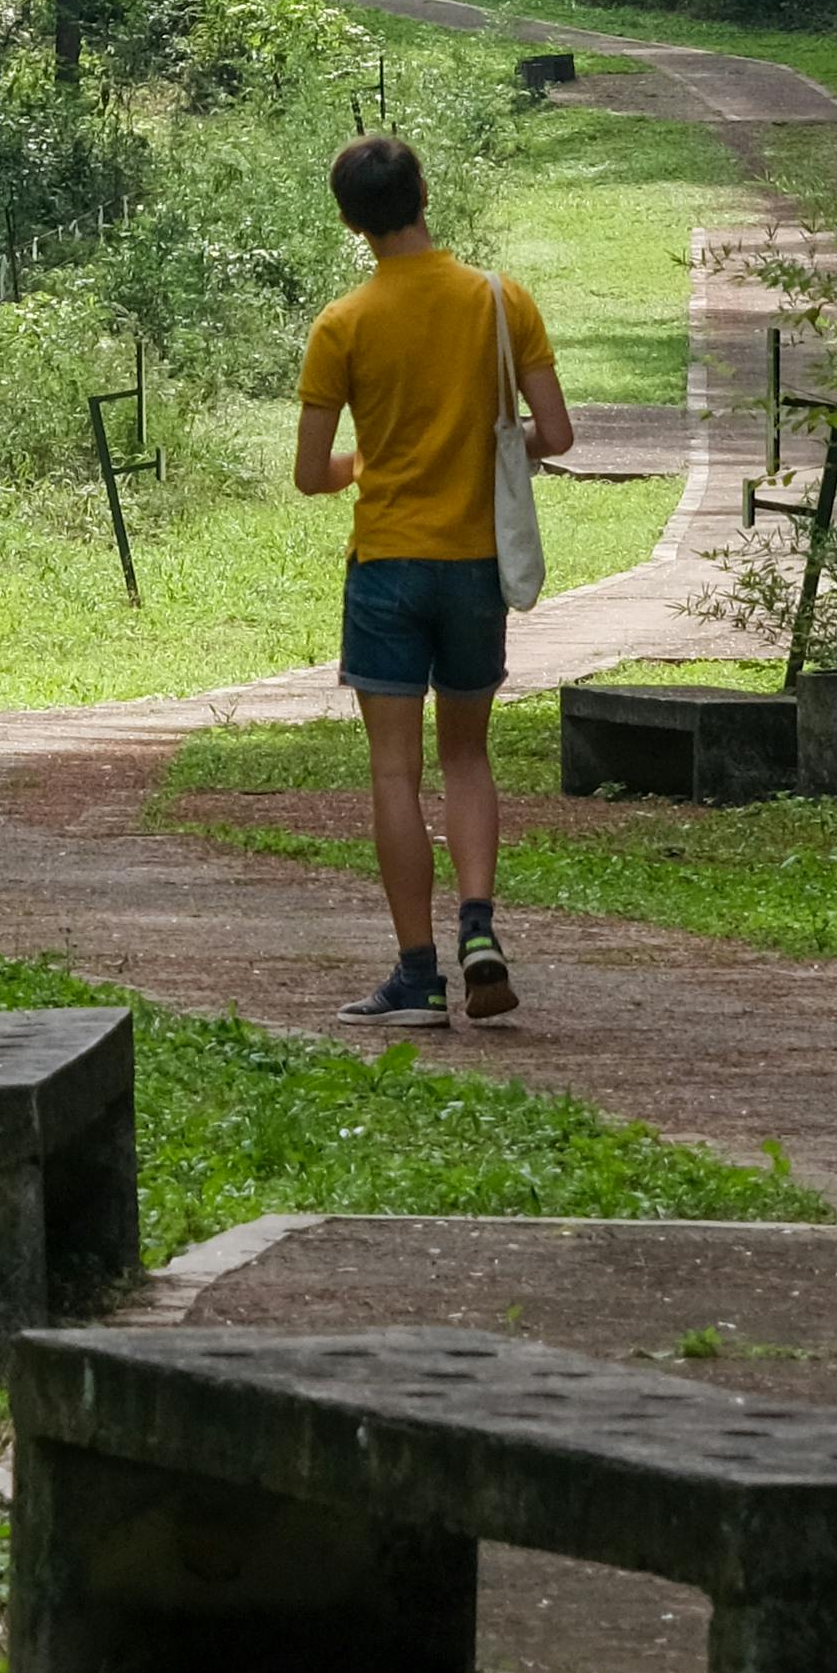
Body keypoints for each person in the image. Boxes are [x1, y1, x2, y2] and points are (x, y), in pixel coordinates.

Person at [294, 129, 573, 1023]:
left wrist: (369, 464)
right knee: (466, 754)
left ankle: (416, 977)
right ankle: (480, 926)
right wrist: (484, 449)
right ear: (423, 195)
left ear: (351, 221)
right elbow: (556, 435)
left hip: (386, 565)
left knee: (391, 772)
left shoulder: (342, 324)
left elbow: (311, 472)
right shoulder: (500, 300)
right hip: (474, 567)